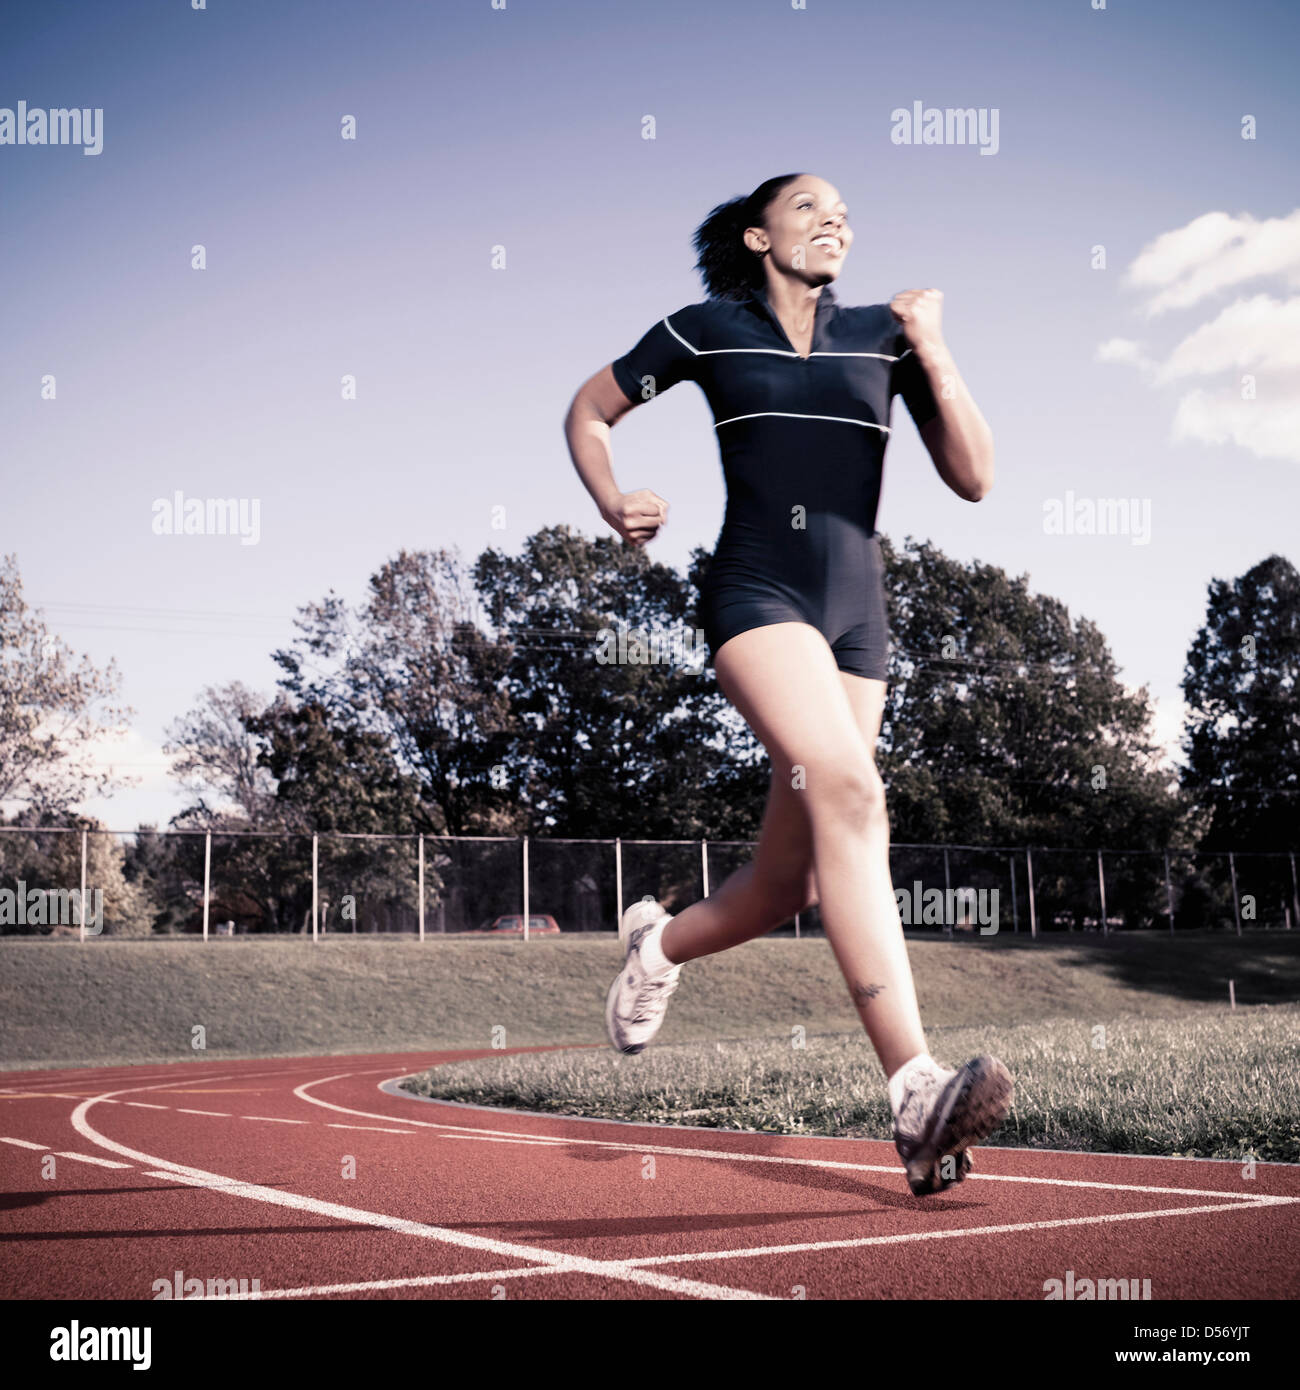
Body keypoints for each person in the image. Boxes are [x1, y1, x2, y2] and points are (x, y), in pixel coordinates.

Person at [562, 173, 1011, 1196]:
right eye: (811, 204)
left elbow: (976, 475)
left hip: (860, 615)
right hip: (756, 591)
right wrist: (610, 499)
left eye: (848, 205)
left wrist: (931, 343)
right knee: (852, 793)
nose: (836, 215)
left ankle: (657, 943)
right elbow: (589, 412)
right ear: (760, 235)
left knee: (794, 880)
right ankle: (912, 1092)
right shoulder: (707, 328)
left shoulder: (883, 338)